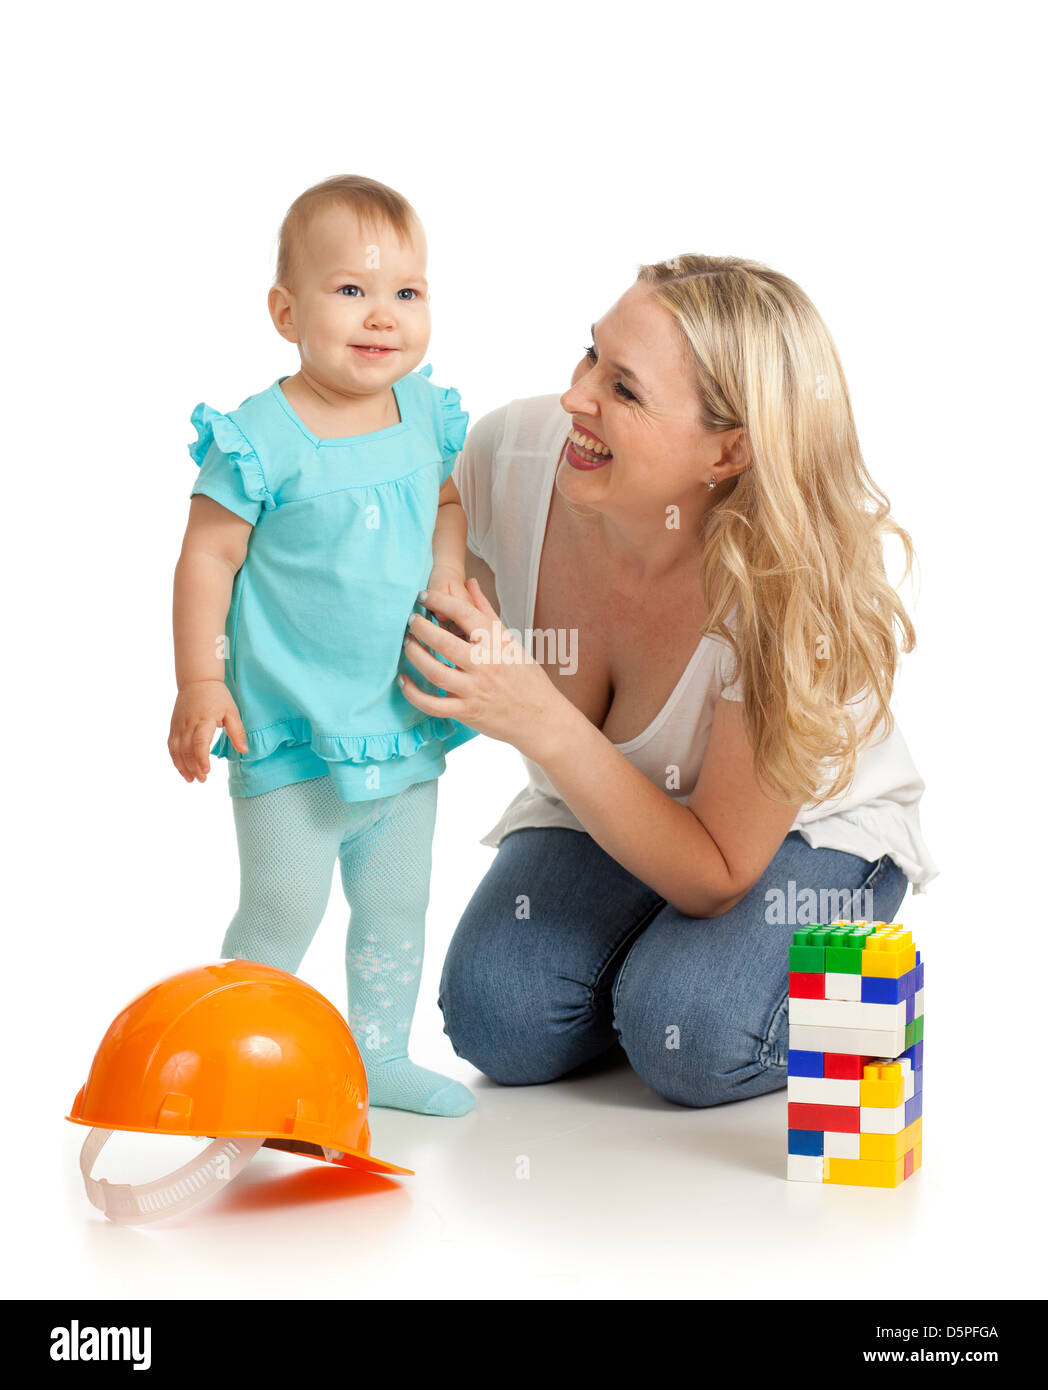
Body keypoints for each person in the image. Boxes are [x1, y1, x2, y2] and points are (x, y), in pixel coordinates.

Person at [396, 253, 938, 1107]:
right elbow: (420, 508)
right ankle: (656, 968)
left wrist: (538, 717)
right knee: (497, 1017)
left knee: (690, 1038)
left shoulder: (785, 593)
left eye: (626, 389)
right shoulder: (522, 453)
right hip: (609, 807)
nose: (578, 397)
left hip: (803, 834)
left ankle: (795, 990)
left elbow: (719, 868)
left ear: (729, 450)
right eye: (589, 356)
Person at [168, 175, 477, 1116]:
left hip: (402, 721)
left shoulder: (425, 414)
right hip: (289, 731)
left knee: (393, 906)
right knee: (283, 908)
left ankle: (377, 1055)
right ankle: (242, 1061)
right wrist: (197, 679)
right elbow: (206, 558)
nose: (382, 315)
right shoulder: (262, 436)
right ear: (286, 310)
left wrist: (447, 576)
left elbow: (447, 503)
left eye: (406, 293)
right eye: (351, 291)